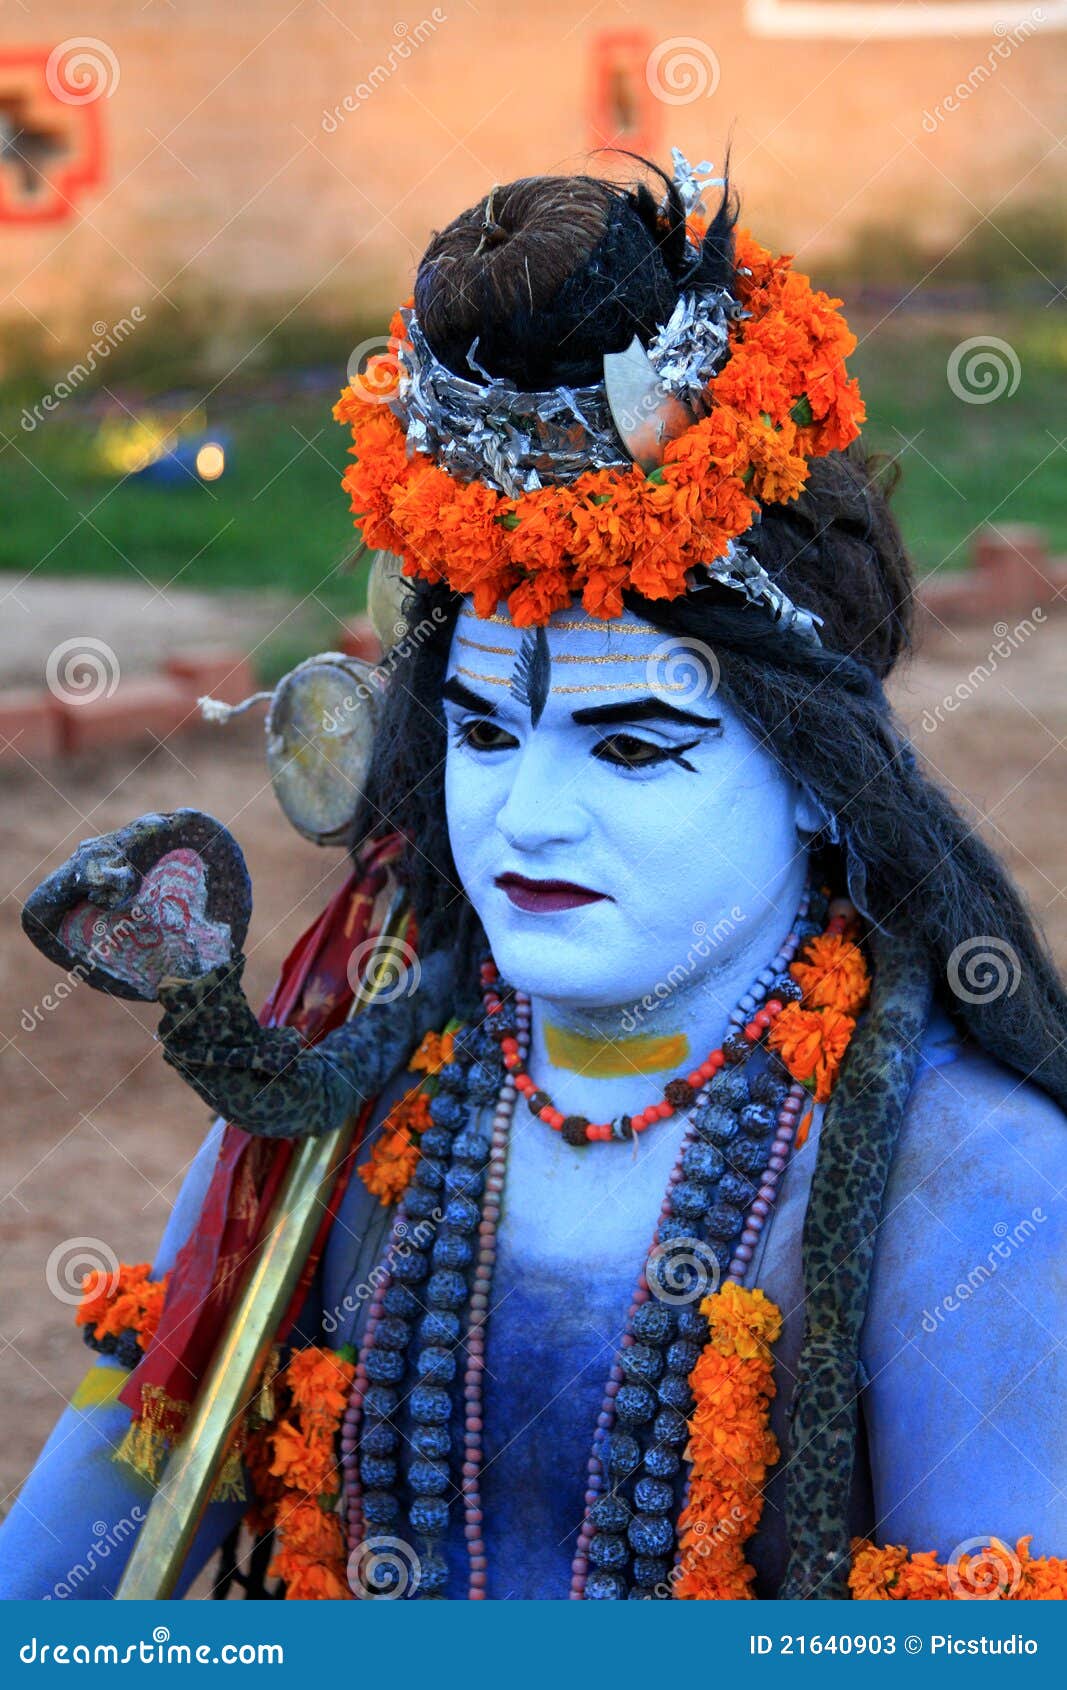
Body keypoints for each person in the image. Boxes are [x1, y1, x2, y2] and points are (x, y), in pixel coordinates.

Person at [2, 153, 1064, 1603]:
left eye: (630, 746)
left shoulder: (974, 1175)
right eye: (486, 733)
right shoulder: (330, 1111)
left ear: (824, 775)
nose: (530, 820)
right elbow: (58, 1598)